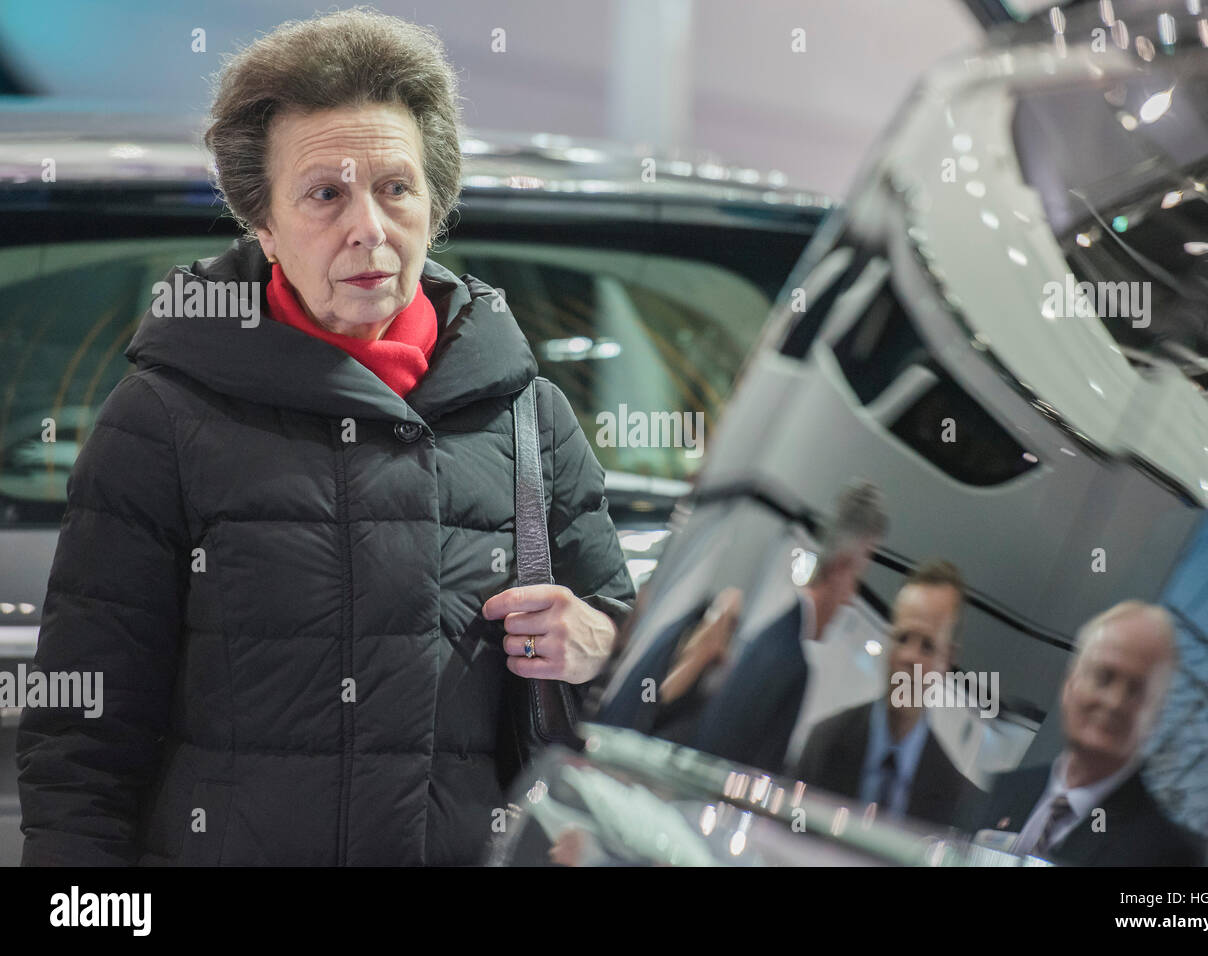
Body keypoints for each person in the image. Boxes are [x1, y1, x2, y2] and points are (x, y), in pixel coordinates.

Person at [16, 8, 634, 867]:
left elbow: (648, 694)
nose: (368, 229)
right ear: (261, 225)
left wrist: (602, 647)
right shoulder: (161, 421)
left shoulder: (530, 420)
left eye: (396, 187)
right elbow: (81, 746)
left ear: (436, 204)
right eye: (325, 194)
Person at [970, 601, 1204, 865]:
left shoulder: (1166, 856)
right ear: (1070, 684)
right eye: (1104, 677)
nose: (1114, 702)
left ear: (1156, 715)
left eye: (1136, 690)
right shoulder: (1003, 791)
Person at [688, 479, 887, 773]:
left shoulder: (769, 637)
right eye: (855, 580)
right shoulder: (793, 665)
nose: (850, 599)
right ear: (841, 568)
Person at [794, 560, 981, 828]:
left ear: (947, 661)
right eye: (902, 638)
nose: (908, 657)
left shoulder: (957, 802)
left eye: (927, 646)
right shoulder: (823, 745)